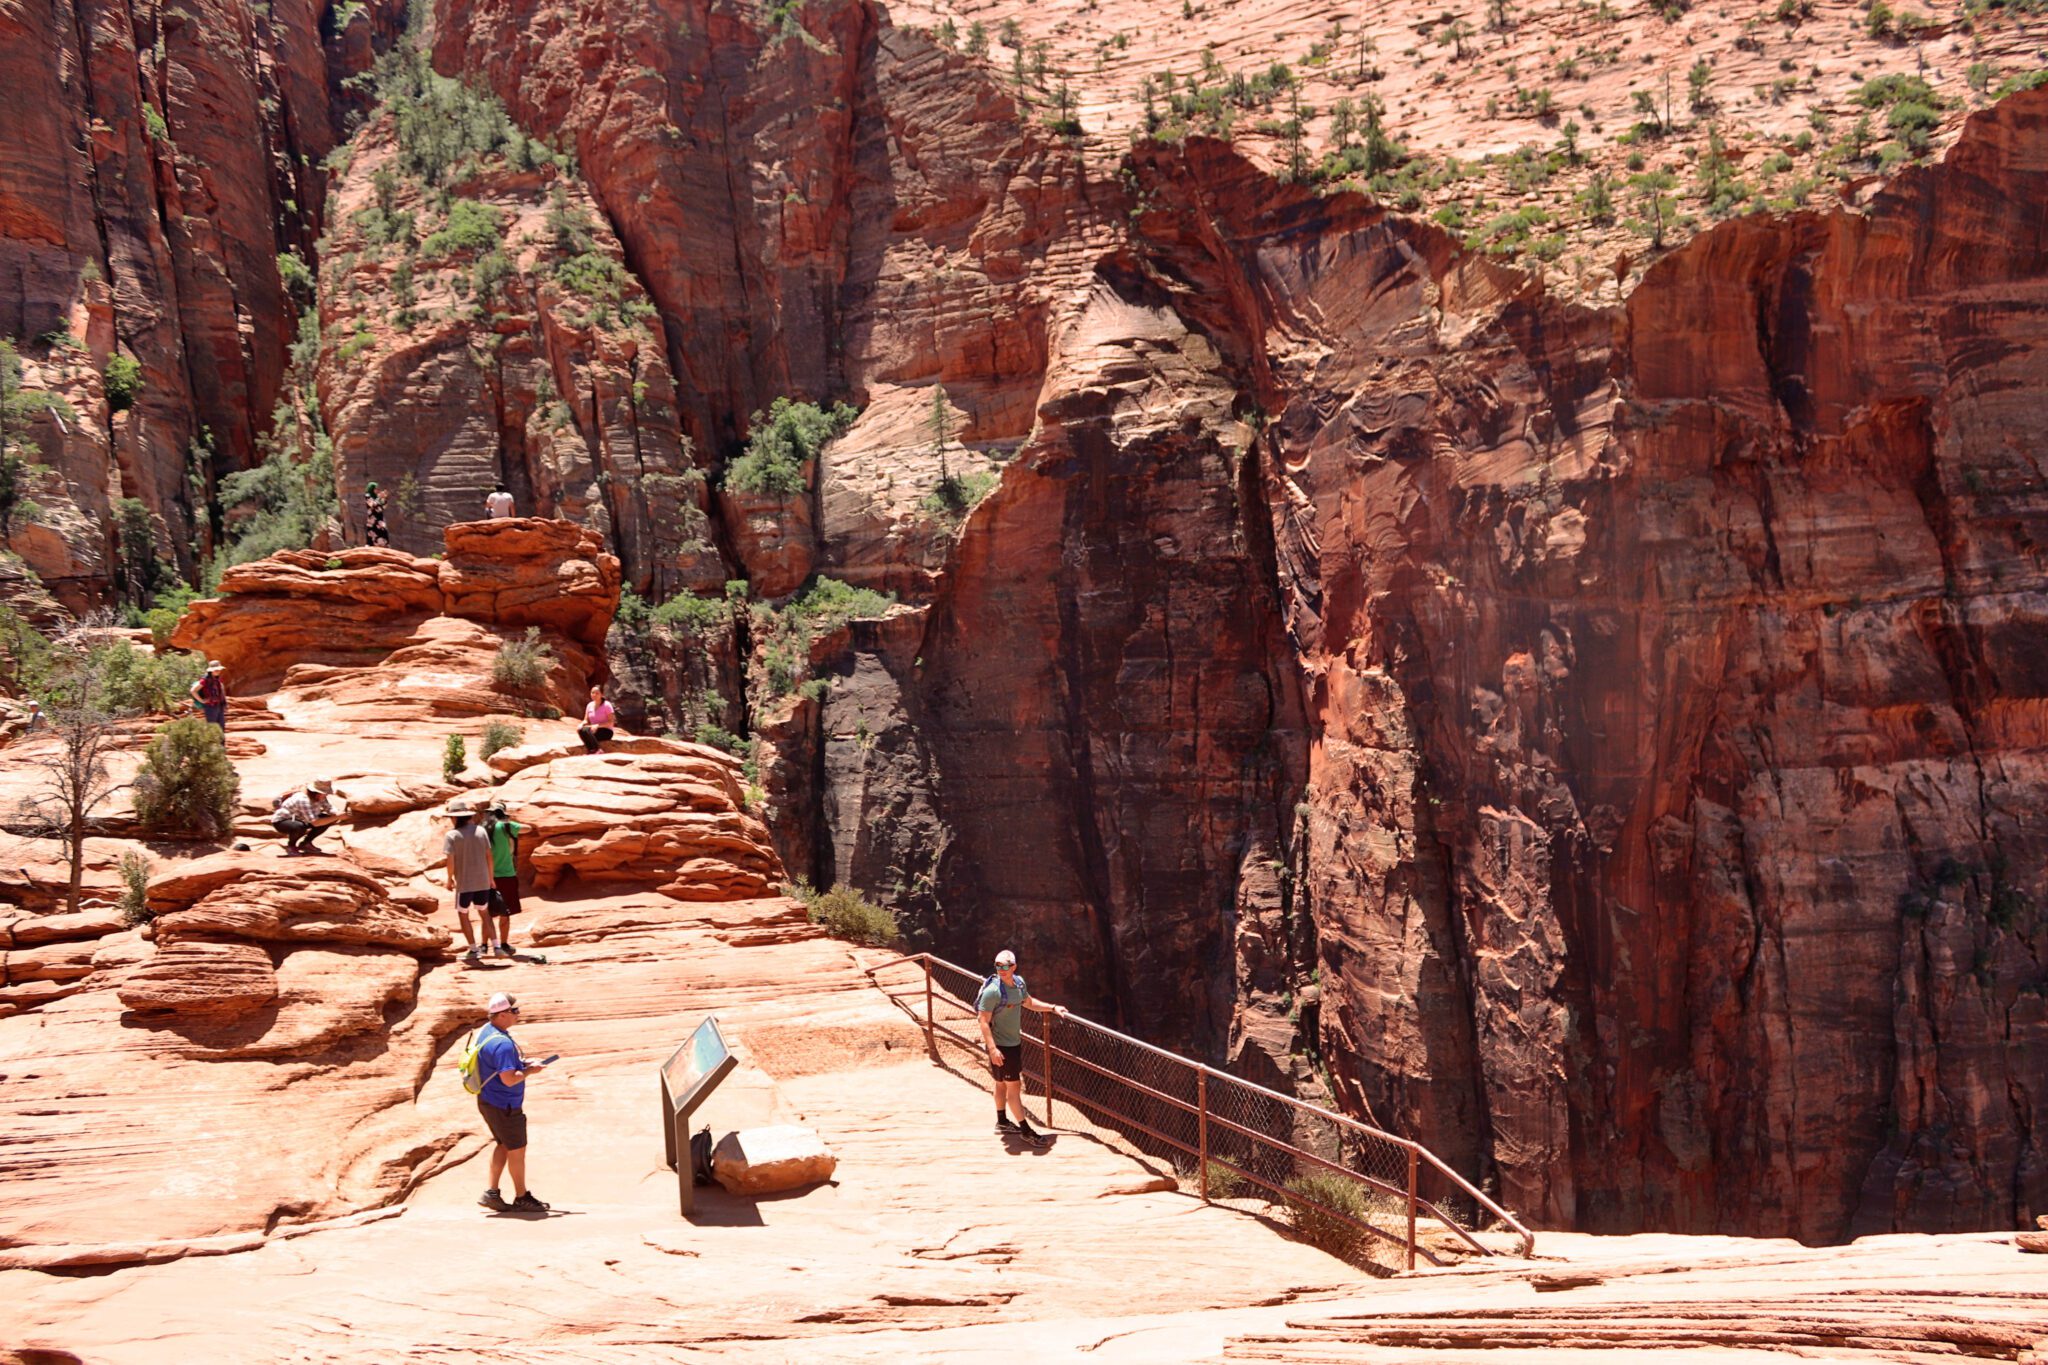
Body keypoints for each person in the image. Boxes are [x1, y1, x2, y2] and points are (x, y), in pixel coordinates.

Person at [977, 949, 1067, 1146]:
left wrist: (1052, 1008)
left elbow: (1029, 1002)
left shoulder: (1018, 983)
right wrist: (993, 1049)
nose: (1001, 969)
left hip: (1011, 1043)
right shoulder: (993, 991)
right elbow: (983, 1021)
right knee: (1014, 1088)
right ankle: (1026, 1131)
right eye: (998, 966)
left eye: (1006, 966)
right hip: (1002, 1046)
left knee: (1000, 1083)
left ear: (1014, 966)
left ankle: (1002, 1122)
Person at [475, 991, 551, 1214]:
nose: (518, 1015)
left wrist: (521, 1062)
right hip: (505, 1105)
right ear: (502, 1015)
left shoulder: (487, 1032)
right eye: (514, 1011)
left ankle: (492, 1193)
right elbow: (509, 1079)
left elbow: (499, 1064)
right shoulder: (503, 1044)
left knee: (503, 1144)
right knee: (517, 1150)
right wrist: (530, 1071)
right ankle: (521, 1197)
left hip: (488, 1101)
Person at [444, 800, 500, 964]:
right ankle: (497, 947)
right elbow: (489, 856)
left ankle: (474, 950)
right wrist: (491, 878)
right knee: (484, 913)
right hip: (482, 881)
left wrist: (449, 879)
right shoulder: (481, 831)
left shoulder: (451, 836)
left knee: (463, 914)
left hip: (465, 883)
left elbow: (450, 860)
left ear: (454, 818)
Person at [485, 800, 522, 958]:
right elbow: (528, 828)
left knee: (486, 913)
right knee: (505, 913)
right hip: (507, 874)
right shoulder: (506, 827)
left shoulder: (482, 829)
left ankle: (484, 945)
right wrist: (507, 822)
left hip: (487, 876)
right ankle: (504, 944)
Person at [271, 779, 339, 854]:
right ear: (316, 792)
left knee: (327, 819)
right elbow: (315, 822)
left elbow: (328, 808)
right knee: (299, 827)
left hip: (302, 818)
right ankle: (291, 846)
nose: (326, 795)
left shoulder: (320, 797)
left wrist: (337, 813)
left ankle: (306, 843)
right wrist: (339, 817)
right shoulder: (302, 799)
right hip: (282, 821)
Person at [190, 660, 229, 730]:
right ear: (211, 670)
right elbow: (193, 690)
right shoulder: (205, 680)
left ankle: (221, 741)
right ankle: (213, 741)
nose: (218, 671)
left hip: (219, 705)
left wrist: (224, 703)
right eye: (216, 669)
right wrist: (202, 701)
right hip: (210, 707)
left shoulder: (217, 679)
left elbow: (221, 691)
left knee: (221, 727)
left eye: (219, 669)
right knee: (212, 727)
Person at [577, 685, 614, 754]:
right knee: (581, 730)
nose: (594, 695)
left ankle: (598, 750)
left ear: (602, 694)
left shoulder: (607, 705)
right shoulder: (589, 705)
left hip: (606, 731)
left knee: (586, 730)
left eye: (597, 693)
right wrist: (581, 724)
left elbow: (610, 722)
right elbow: (586, 720)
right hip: (593, 730)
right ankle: (591, 750)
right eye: (592, 693)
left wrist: (597, 726)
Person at [364, 481, 389, 547]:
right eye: (376, 489)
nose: (377, 490)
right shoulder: (368, 496)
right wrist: (379, 497)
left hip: (380, 520)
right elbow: (372, 504)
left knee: (383, 533)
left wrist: (385, 498)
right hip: (373, 520)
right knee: (373, 534)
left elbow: (383, 507)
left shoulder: (376, 497)